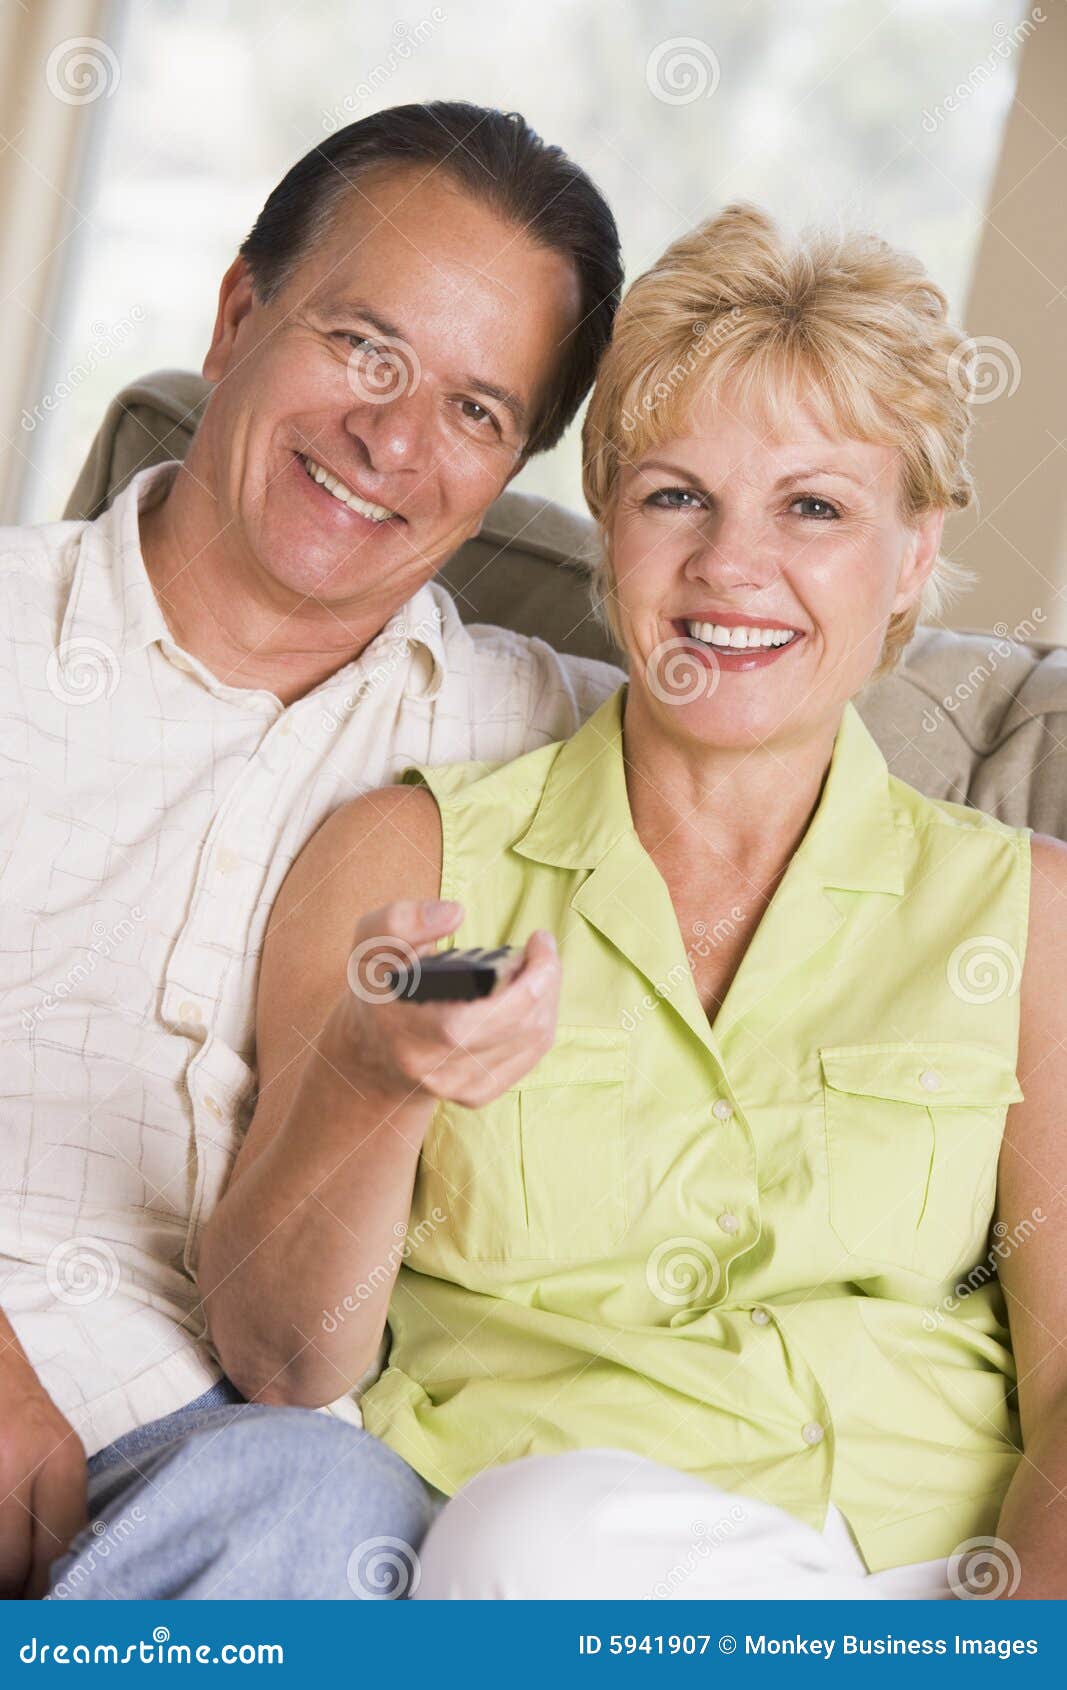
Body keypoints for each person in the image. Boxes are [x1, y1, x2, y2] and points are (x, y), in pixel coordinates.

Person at [202, 204, 1067, 1601]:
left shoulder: (1028, 918)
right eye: (676, 497)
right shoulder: (409, 863)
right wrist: (375, 1081)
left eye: (814, 508)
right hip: (544, 1576)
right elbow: (283, 1358)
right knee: (541, 1537)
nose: (731, 566)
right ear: (609, 521)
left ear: (913, 553)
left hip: (926, 1595)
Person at [1, 100, 624, 1600]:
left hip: (225, 1481)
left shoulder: (540, 737)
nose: (392, 441)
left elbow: (819, 756)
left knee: (337, 1510)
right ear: (238, 317)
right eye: (364, 347)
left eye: (476, 412)